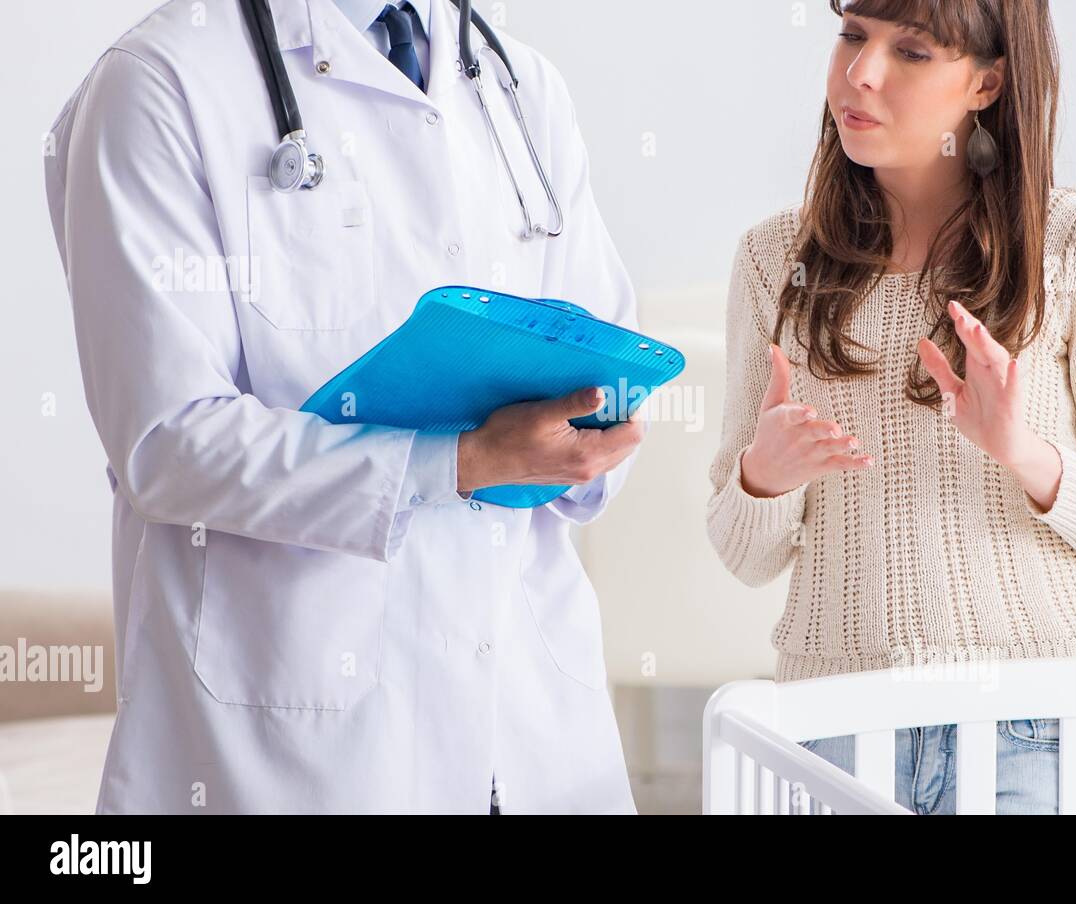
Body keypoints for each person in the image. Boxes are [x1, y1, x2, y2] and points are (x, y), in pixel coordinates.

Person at [43, 0, 644, 814]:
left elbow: (607, 353)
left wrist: (586, 440)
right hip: (303, 746)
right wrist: (461, 461)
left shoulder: (518, 84)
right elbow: (166, 441)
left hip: (529, 726)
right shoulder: (159, 83)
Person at [704, 0, 1076, 815]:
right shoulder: (771, 260)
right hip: (836, 725)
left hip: (1033, 726)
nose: (861, 73)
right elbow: (742, 555)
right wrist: (763, 475)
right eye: (853, 36)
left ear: (988, 81)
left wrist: (1026, 454)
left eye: (913, 51)